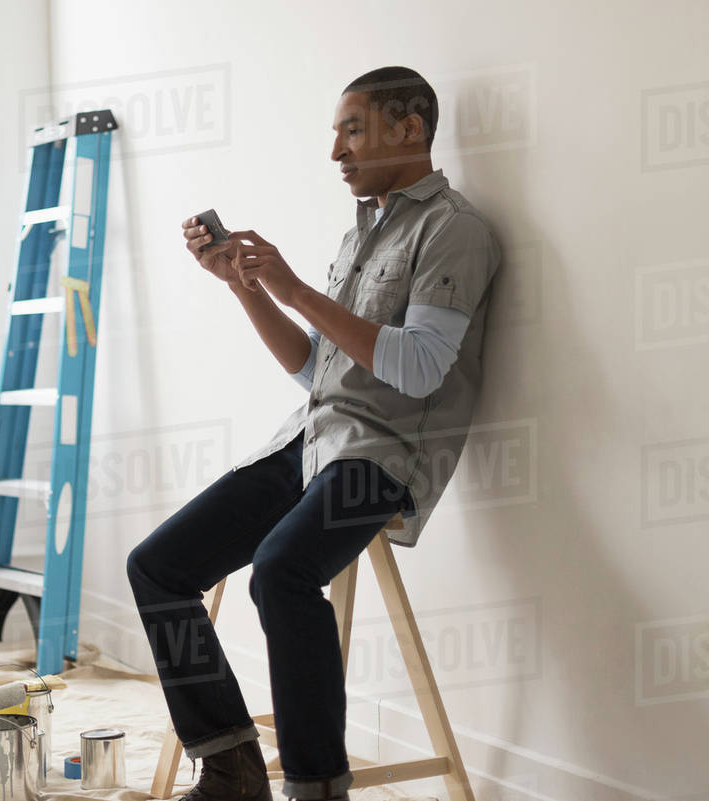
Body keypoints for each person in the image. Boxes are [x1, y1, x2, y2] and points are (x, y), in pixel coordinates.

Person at [125, 66, 501, 801]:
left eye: (352, 130)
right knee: (157, 566)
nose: (336, 151)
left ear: (409, 129)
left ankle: (316, 782)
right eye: (336, 132)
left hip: (384, 455)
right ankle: (230, 764)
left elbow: (420, 370)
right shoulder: (363, 230)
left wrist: (295, 288)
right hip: (309, 439)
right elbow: (315, 370)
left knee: (281, 572)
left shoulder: (454, 231)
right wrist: (246, 288)